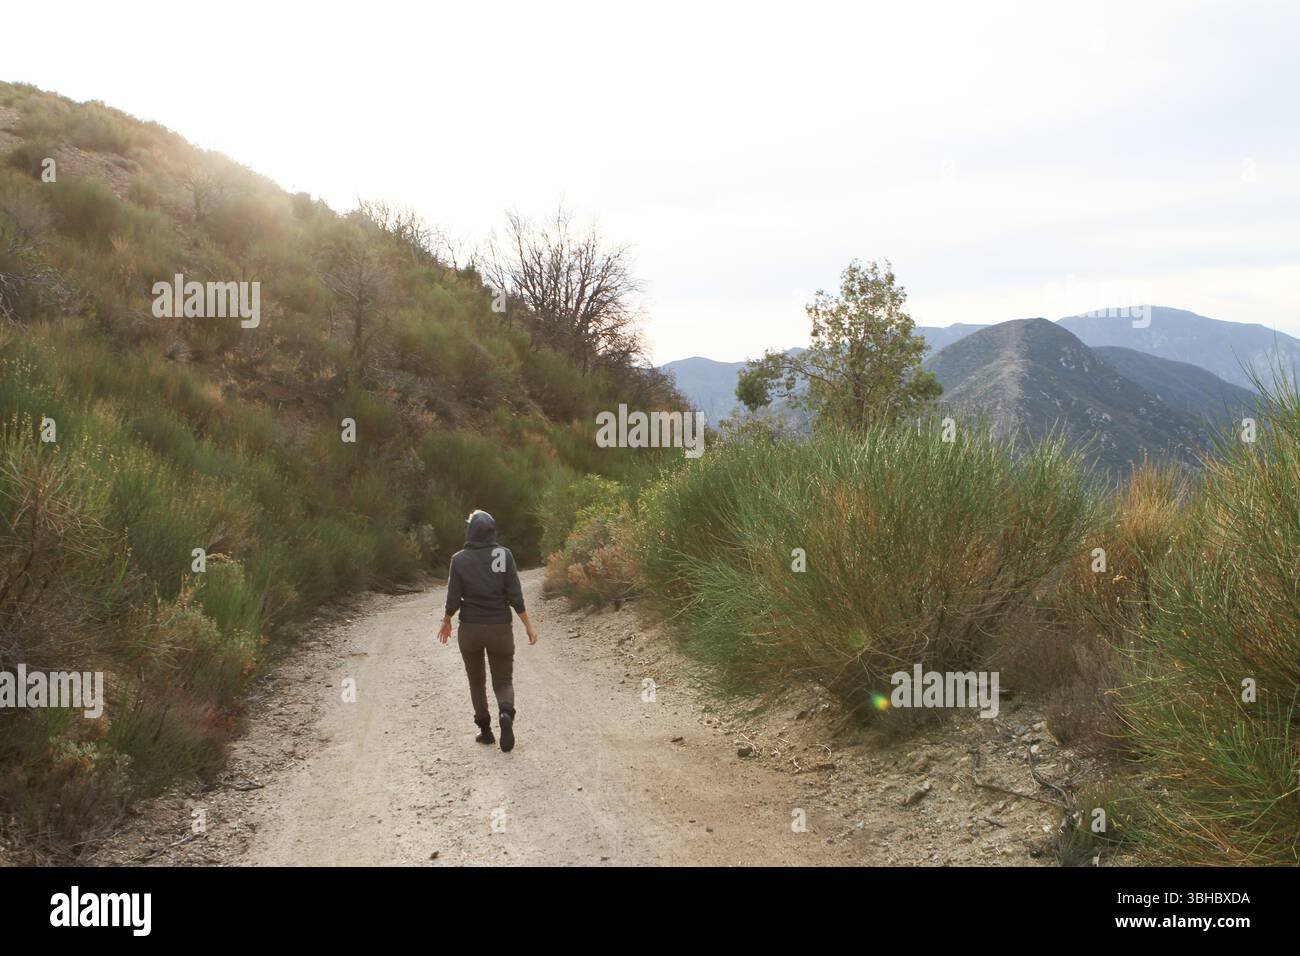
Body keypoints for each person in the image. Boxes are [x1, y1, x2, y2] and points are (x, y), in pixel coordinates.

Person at [437, 510, 538, 752]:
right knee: (503, 681)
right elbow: (515, 595)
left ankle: (485, 730)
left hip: (470, 630)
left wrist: (447, 620)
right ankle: (505, 712)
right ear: (492, 530)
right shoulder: (504, 555)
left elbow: (453, 598)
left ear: (469, 531)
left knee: (476, 682)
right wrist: (528, 626)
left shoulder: (459, 559)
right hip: (499, 629)